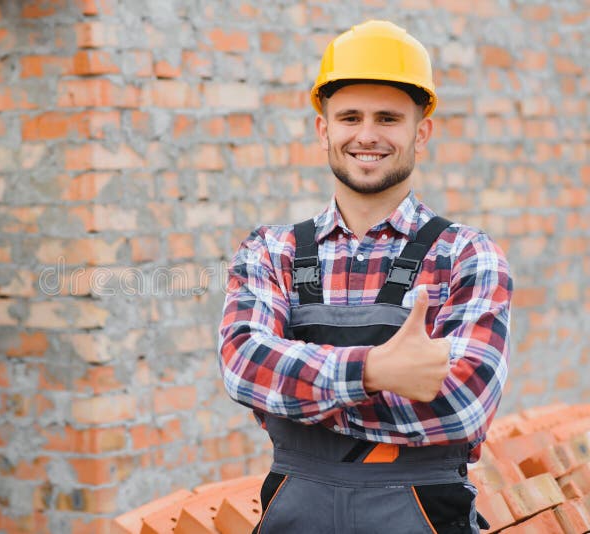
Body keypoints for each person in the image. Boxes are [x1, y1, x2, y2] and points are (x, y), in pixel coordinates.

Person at [217, 20, 513, 534]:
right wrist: (375, 371)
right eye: (349, 116)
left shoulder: (468, 255)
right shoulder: (270, 249)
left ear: (421, 131)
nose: (367, 134)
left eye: (389, 118)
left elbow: (463, 407)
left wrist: (298, 401)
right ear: (323, 129)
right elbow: (243, 366)